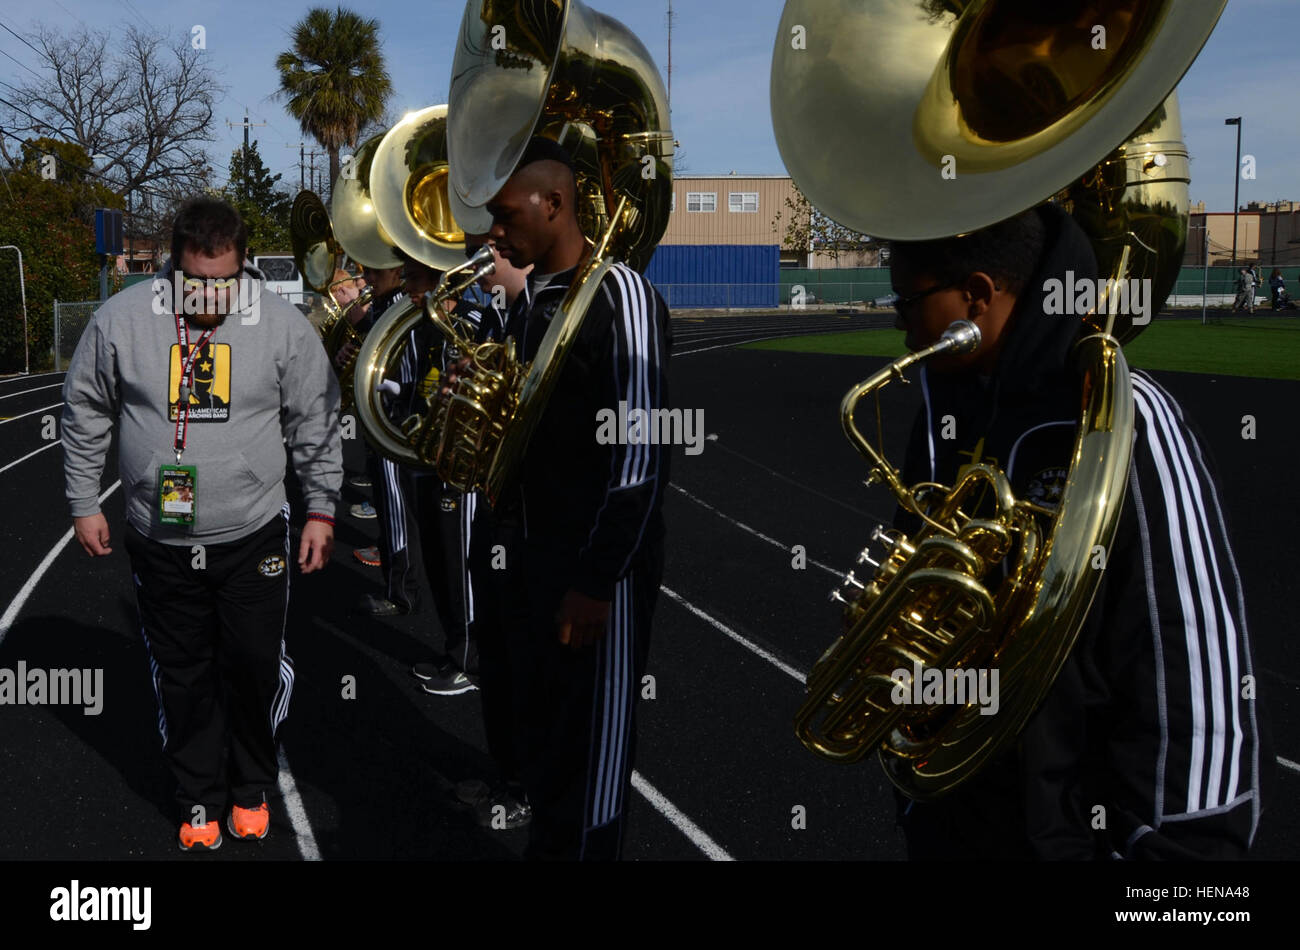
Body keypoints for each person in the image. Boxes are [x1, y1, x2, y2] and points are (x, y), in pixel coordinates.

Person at [884, 204, 1271, 859]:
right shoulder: (944, 420)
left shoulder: (1127, 421)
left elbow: (1194, 695)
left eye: (907, 303)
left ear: (976, 297)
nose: (902, 332)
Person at [62, 196, 341, 851]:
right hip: (160, 536)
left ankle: (248, 786)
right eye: (195, 280)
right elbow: (84, 411)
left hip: (252, 532)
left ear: (243, 265)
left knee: (253, 666)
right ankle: (197, 798)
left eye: (225, 280)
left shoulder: (279, 323)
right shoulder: (122, 320)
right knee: (182, 673)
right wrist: (82, 501)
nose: (211, 295)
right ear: (170, 266)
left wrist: (323, 507)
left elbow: (316, 416)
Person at [477, 137, 671, 860]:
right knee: (547, 748)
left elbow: (643, 451)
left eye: (505, 213)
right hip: (531, 561)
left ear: (554, 203)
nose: (494, 231)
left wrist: (596, 580)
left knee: (589, 769)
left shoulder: (620, 292)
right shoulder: (534, 303)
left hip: (597, 575)